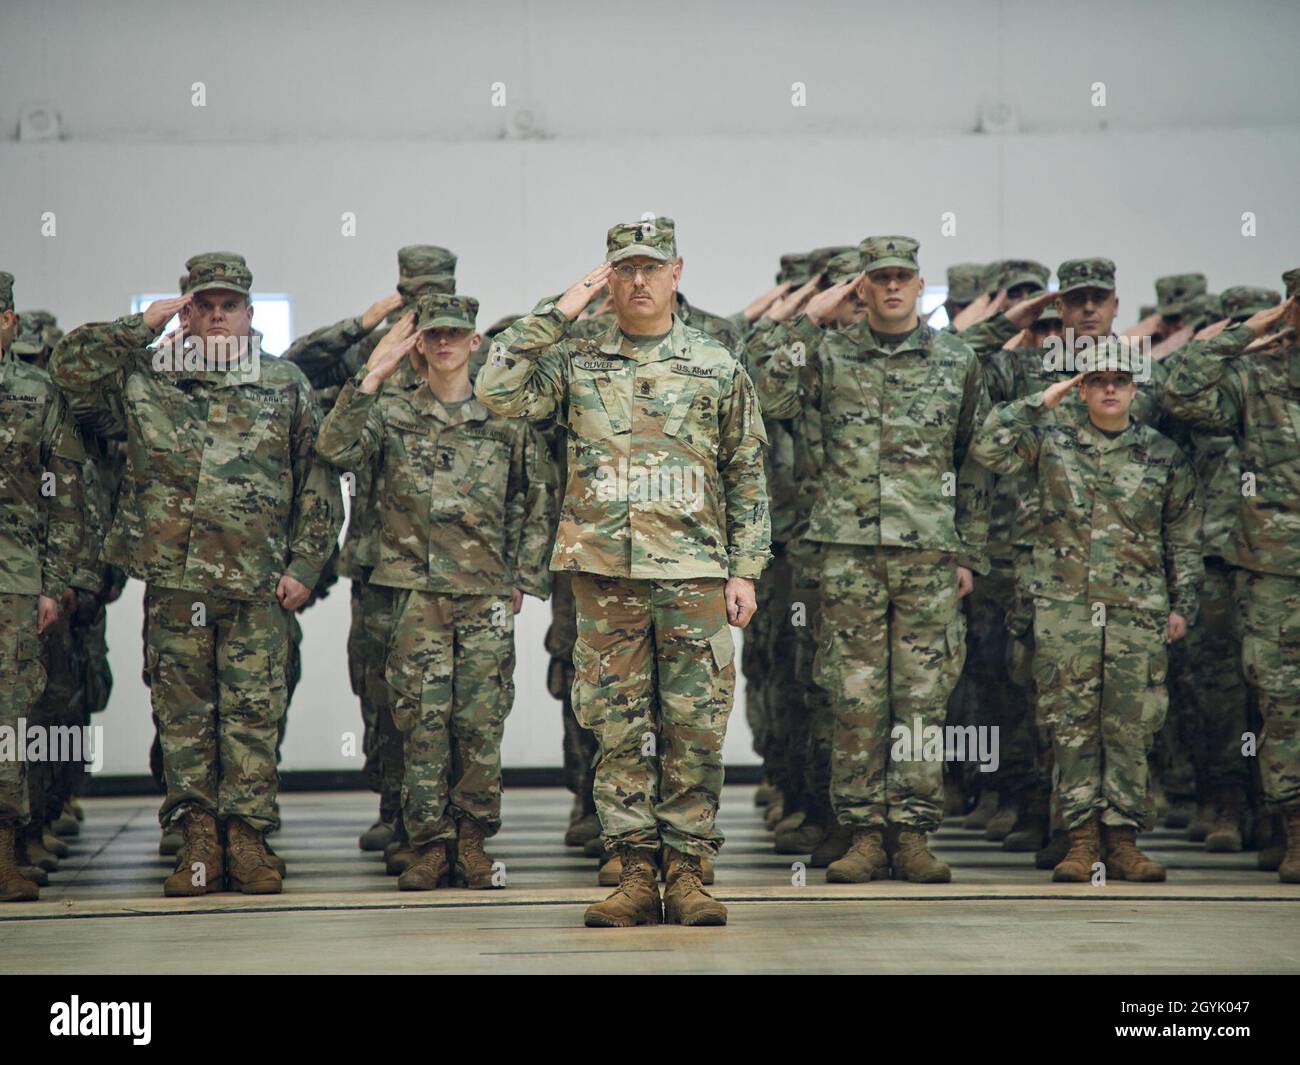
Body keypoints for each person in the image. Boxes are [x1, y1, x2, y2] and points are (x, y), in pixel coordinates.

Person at [476, 217, 770, 927]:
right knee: (615, 725)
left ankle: (690, 871)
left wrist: (747, 569)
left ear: (677, 272)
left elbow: (746, 471)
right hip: (605, 575)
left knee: (694, 725)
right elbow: (495, 387)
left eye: (651, 266)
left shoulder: (714, 362)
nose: (638, 280)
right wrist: (568, 301)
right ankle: (634, 869)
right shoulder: (577, 359)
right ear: (607, 277)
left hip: (695, 571)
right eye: (622, 268)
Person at [50, 252, 343, 896]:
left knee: (252, 715)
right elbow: (68, 372)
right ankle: (199, 839)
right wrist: (141, 327)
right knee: (183, 718)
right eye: (202, 305)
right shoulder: (147, 378)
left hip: (258, 584)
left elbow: (316, 482)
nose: (216, 316)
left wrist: (305, 566)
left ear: (248, 312)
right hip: (176, 584)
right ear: (185, 309)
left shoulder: (284, 383)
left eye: (228, 305)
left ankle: (249, 837)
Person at [758, 235, 992, 883]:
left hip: (927, 554)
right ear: (861, 289)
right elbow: (764, 389)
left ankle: (911, 832)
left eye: (902, 277)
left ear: (919, 286)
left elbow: (975, 460)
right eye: (878, 278)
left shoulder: (955, 360)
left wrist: (965, 548)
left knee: (922, 696)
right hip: (849, 554)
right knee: (853, 696)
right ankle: (863, 830)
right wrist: (808, 314)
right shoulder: (828, 356)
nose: (891, 287)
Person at [317, 292, 554, 889]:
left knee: (478, 722)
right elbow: (335, 448)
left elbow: (536, 500)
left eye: (455, 335)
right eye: (433, 335)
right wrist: (375, 371)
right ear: (419, 344)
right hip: (414, 594)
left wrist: (524, 577)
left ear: (476, 343)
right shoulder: (393, 413)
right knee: (421, 722)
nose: (444, 344)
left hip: (484, 593)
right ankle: (427, 842)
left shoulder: (505, 419)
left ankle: (472, 842)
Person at [972, 342, 1203, 881]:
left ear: (1134, 388)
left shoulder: (1163, 455)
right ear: (1081, 386)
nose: (1108, 390)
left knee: (1130, 726)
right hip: (1065, 607)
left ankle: (1123, 840)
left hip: (1136, 609)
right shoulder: (1052, 443)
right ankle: (1079, 840)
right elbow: (988, 446)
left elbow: (1183, 539)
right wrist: (1042, 401)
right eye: (1096, 380)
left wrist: (1181, 604)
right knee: (1071, 726)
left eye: (1119, 381)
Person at [1163, 275, 1300, 882]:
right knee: (1278, 705)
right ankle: (1289, 825)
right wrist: (1253, 330)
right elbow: (1179, 392)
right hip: (1271, 567)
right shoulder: (1258, 377)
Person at [0, 273, 86, 902]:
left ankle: (5, 848)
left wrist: (55, 583)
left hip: (14, 581)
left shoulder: (37, 396)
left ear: (9, 324)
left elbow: (65, 500)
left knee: (9, 720)